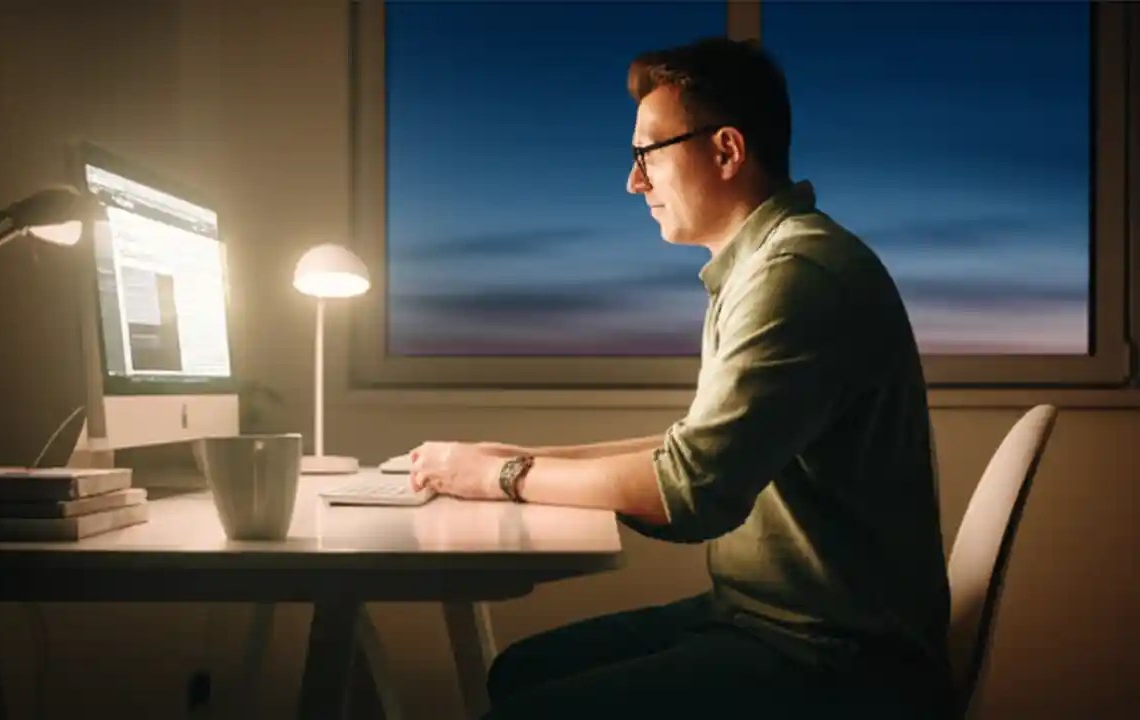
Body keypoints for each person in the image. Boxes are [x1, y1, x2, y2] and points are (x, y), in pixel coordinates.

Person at [408, 36, 955, 719]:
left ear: (725, 150)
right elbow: (692, 449)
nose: (634, 181)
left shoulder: (795, 276)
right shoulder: (769, 264)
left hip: (835, 657)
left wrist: (498, 478)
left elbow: (689, 491)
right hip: (767, 620)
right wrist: (514, 458)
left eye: (647, 153)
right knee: (519, 671)